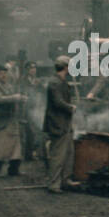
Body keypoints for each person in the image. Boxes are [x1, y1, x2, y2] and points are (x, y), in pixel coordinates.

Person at [44, 56, 80, 193]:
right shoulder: (55, 82)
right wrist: (71, 107)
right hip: (58, 124)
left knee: (68, 153)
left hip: (65, 123)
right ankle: (54, 184)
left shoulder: (61, 81)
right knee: (58, 155)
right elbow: (58, 102)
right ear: (65, 67)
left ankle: (65, 180)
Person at [0, 65, 27, 177]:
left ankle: (13, 169)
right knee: (2, 146)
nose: (4, 75)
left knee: (16, 146)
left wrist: (21, 99)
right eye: (1, 74)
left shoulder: (9, 86)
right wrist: (15, 97)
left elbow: (14, 99)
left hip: (13, 119)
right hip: (3, 120)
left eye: (5, 73)